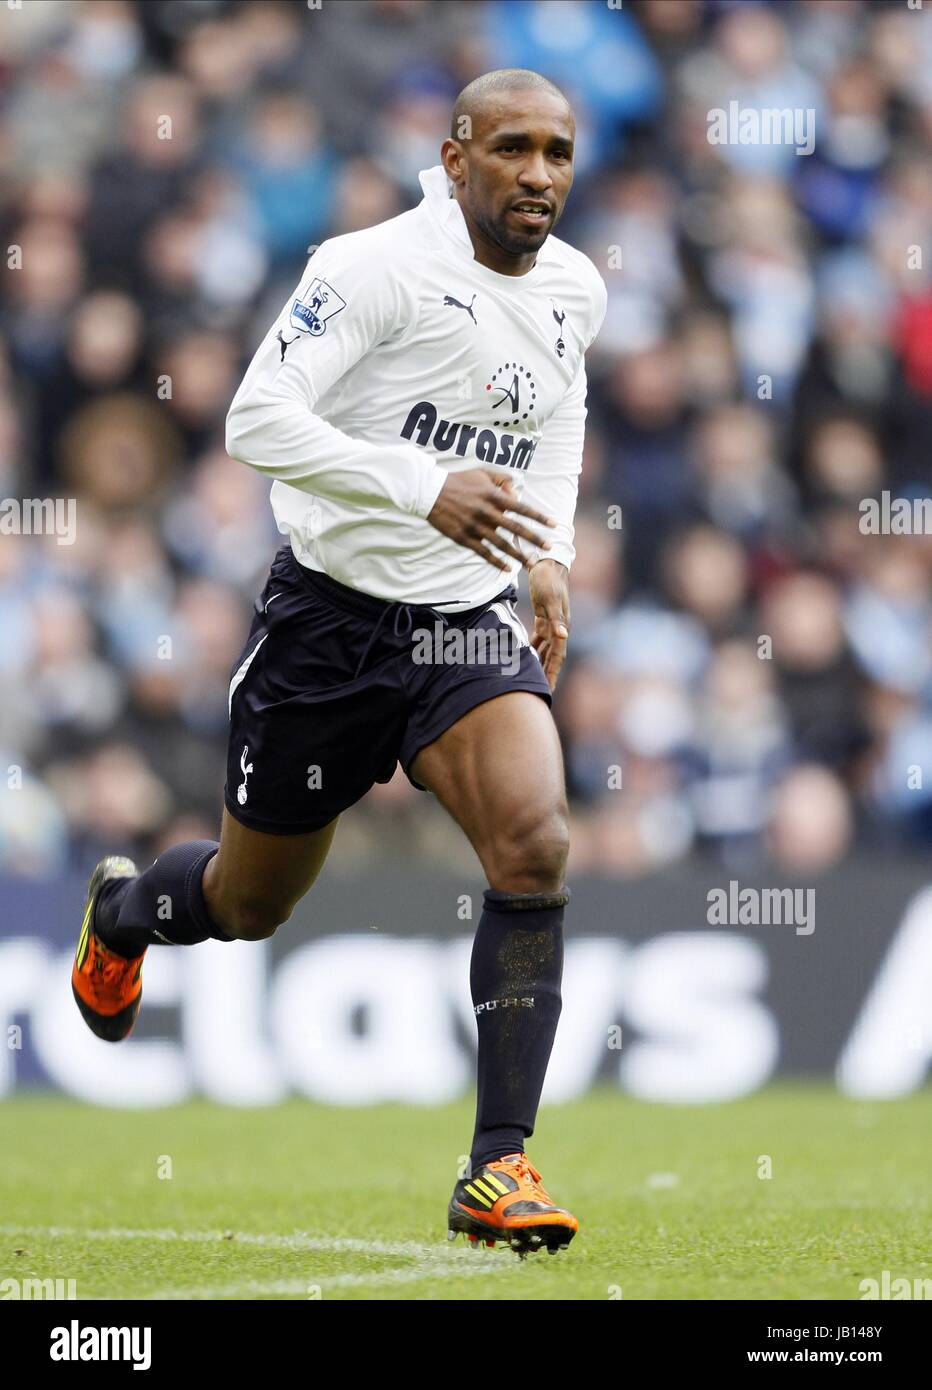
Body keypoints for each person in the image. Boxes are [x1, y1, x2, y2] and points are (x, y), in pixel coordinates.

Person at [72, 68, 607, 1258]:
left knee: (535, 841)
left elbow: (557, 413)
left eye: (557, 152)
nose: (537, 174)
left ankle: (496, 1166)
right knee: (247, 904)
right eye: (511, 148)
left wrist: (551, 556)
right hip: (326, 623)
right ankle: (119, 914)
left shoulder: (574, 286)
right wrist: (425, 484)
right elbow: (253, 419)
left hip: (463, 618)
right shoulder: (368, 268)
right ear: (454, 156)